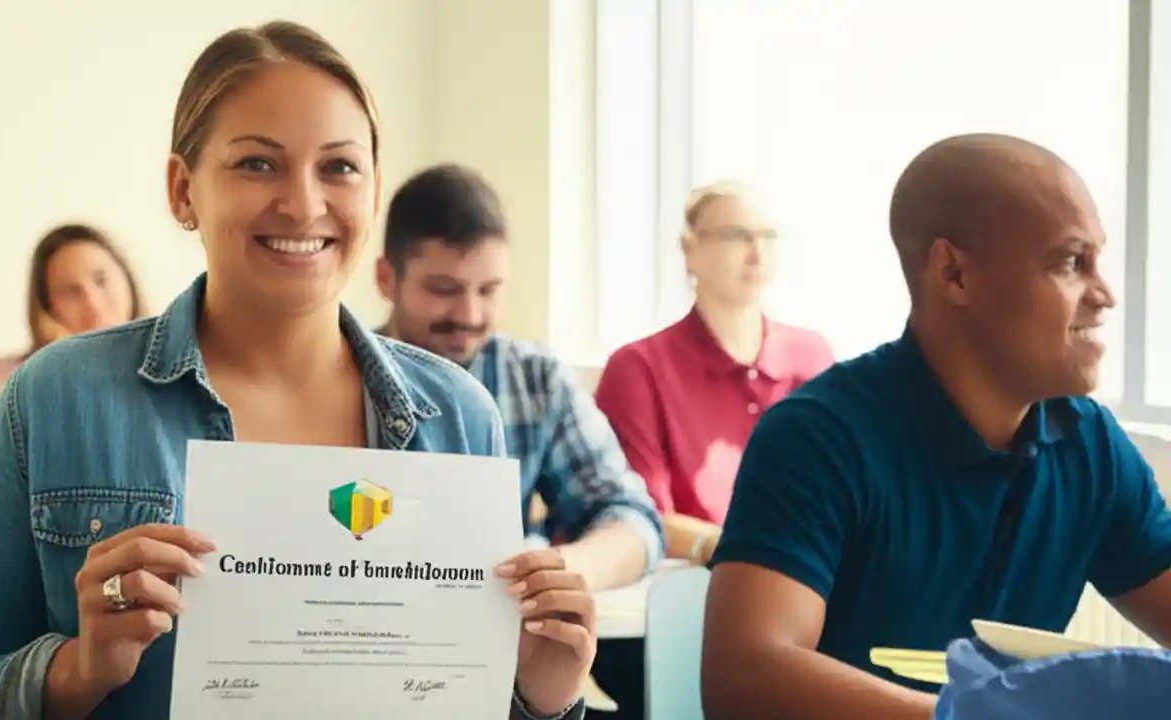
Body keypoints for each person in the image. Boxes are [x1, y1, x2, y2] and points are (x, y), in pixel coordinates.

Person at [0, 21, 594, 720]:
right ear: (183, 190)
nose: (303, 203)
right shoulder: (55, 399)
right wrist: (76, 671)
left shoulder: (460, 414)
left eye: (340, 167)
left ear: (374, 190)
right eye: (257, 164)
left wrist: (537, 695)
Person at [701, 133, 1171, 719]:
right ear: (954, 275)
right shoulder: (818, 437)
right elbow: (744, 677)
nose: (1105, 295)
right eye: (1071, 262)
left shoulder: (1091, 444)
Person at [374, 163, 664, 593]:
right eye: (443, 289)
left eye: (489, 290)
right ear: (386, 279)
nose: (469, 316)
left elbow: (632, 517)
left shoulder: (534, 379)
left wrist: (560, 571)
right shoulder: (336, 376)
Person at [594, 181, 833, 565]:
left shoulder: (813, 356)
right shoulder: (638, 368)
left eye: (768, 237)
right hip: (691, 587)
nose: (757, 253)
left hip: (814, 581)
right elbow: (636, 516)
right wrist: (741, 552)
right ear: (690, 250)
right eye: (737, 236)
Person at [0, 223, 145, 499]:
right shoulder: (9, 376)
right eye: (70, 291)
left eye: (101, 279)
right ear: (47, 309)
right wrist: (62, 366)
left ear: (127, 280)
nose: (92, 302)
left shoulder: (174, 369)